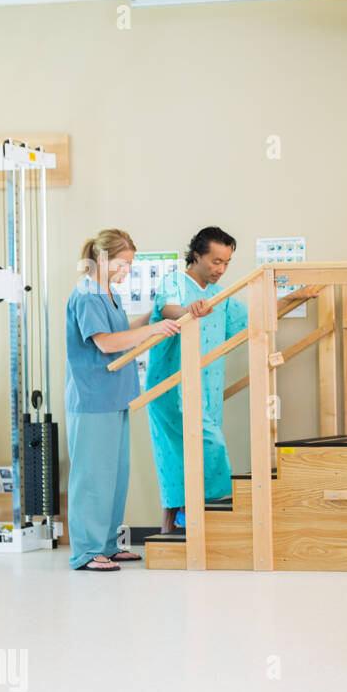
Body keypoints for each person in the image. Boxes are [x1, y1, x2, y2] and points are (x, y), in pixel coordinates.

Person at [65, 229, 180, 570]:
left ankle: (108, 546)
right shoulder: (87, 294)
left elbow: (121, 328)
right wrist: (153, 331)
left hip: (114, 397)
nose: (127, 270)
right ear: (102, 259)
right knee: (92, 478)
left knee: (114, 476)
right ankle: (86, 552)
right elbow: (106, 343)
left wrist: (152, 318)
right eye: (123, 263)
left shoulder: (108, 293)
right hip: (91, 401)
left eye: (130, 264)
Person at [144, 227, 248, 533]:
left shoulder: (220, 296)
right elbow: (168, 309)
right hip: (171, 387)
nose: (221, 269)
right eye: (216, 261)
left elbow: (250, 319)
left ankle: (169, 528)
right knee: (198, 446)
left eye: (226, 263)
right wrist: (189, 311)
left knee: (178, 457)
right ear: (197, 256)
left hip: (207, 390)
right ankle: (210, 513)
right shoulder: (174, 281)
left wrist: (294, 297)